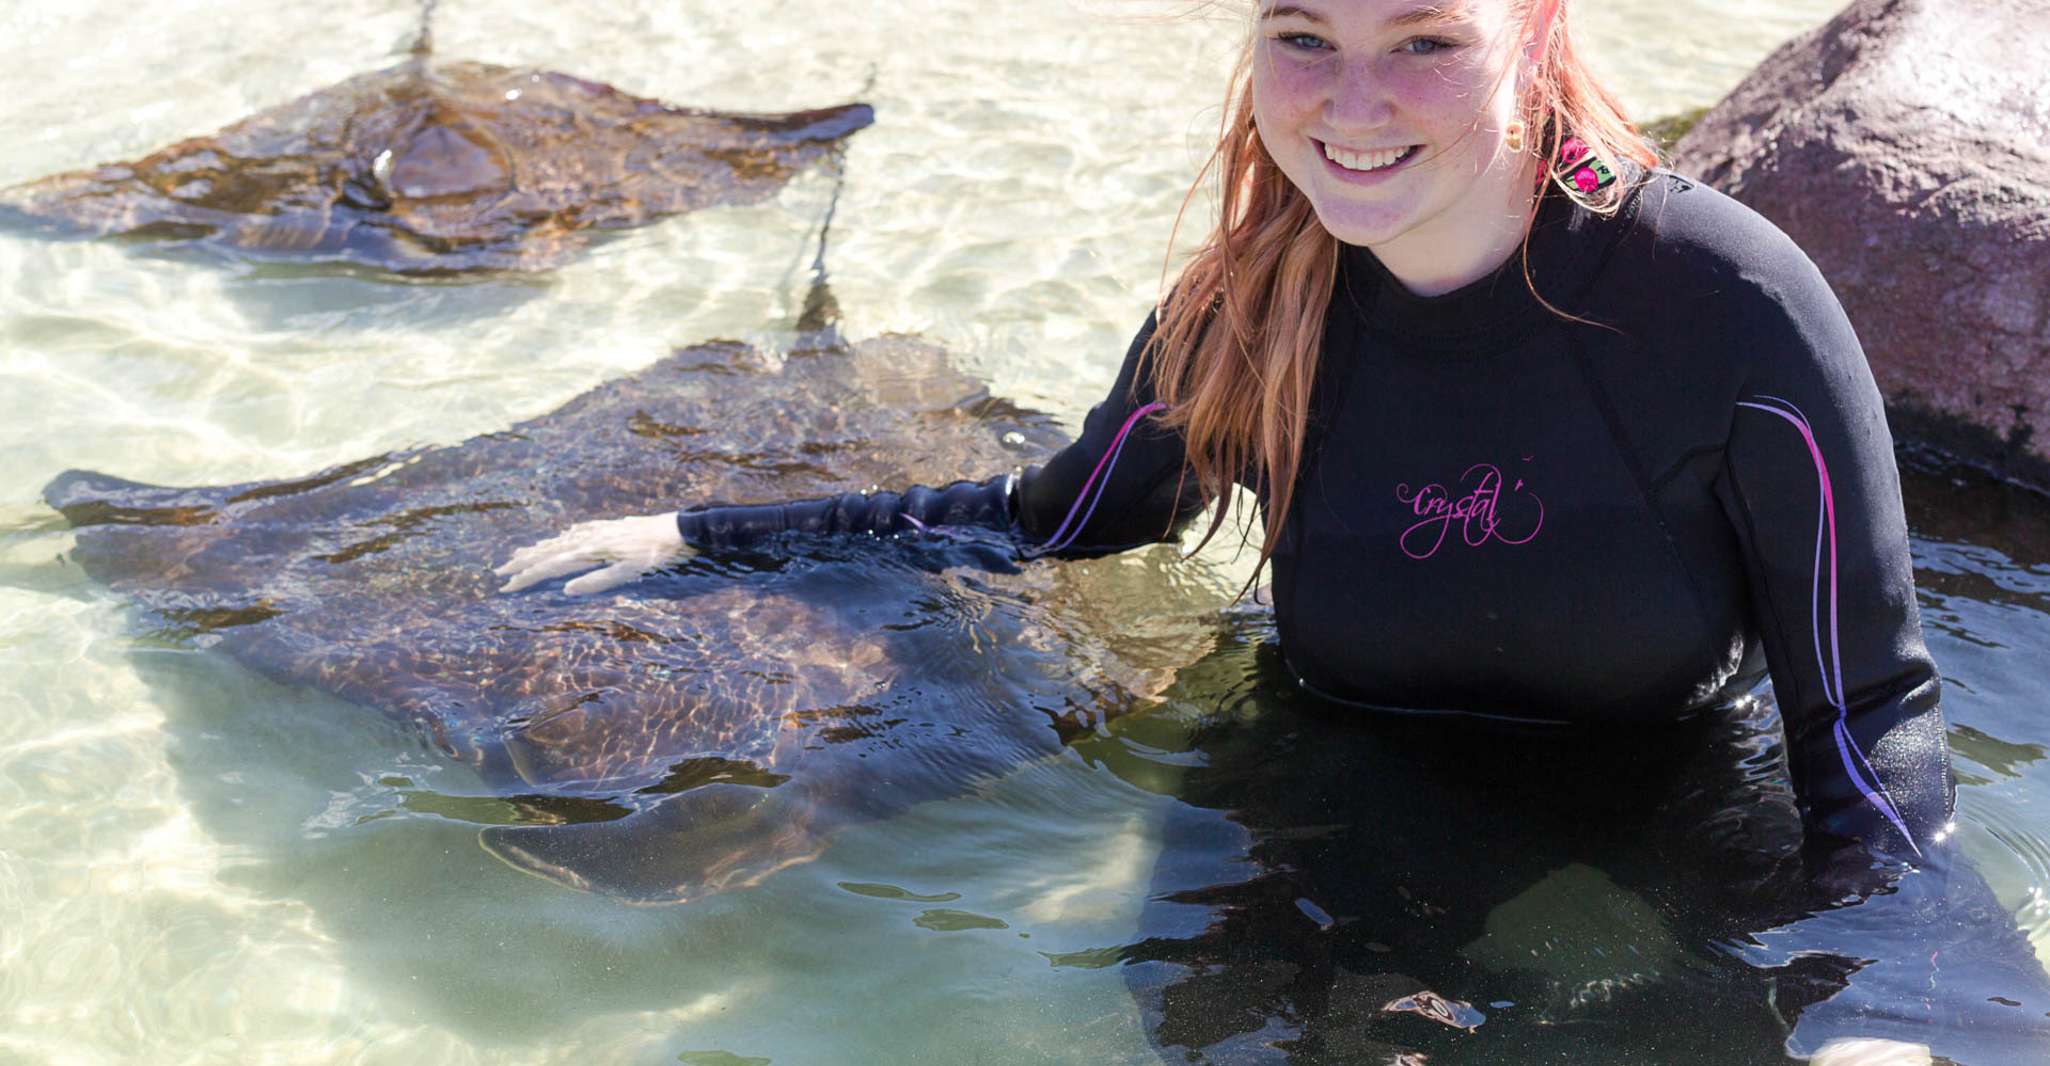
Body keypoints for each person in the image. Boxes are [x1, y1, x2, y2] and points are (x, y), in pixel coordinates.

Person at [497, 1, 2020, 1055]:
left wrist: (1882, 993)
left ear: (1534, 31)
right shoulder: (1245, 308)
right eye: (1303, 35)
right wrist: (708, 536)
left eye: (1423, 38)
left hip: (1666, 792)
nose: (1351, 105)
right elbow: (1049, 521)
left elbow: (1867, 714)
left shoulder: (1723, 306)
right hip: (1323, 790)